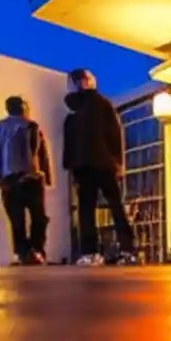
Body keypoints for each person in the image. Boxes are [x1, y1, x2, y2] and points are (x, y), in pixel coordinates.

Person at [63, 68, 135, 266]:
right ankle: (128, 249)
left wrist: (70, 165)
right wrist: (117, 162)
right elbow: (114, 134)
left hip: (84, 166)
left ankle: (91, 252)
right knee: (114, 206)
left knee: (87, 210)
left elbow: (70, 142)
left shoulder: (74, 111)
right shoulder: (101, 104)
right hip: (102, 164)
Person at [0, 96, 53, 265]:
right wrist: (46, 176)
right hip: (26, 179)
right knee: (32, 218)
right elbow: (41, 153)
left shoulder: (1, 129)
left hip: (17, 179)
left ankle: (27, 251)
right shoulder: (27, 126)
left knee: (24, 219)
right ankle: (31, 250)